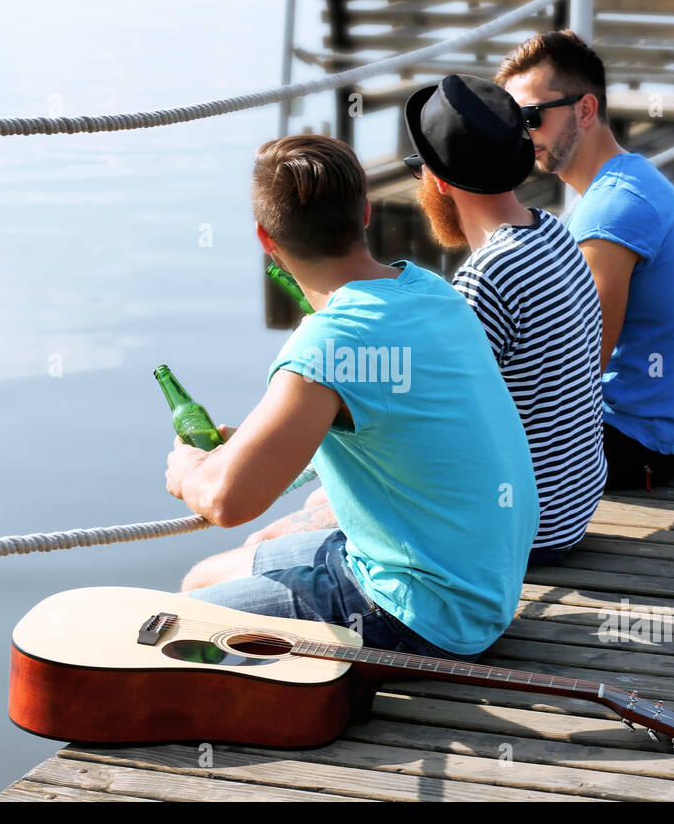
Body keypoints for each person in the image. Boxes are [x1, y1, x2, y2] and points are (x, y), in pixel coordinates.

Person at [165, 134, 539, 661]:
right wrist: (255, 445)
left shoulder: (326, 346)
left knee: (186, 623)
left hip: (423, 612)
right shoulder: (431, 290)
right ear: (364, 212)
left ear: (264, 238)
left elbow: (228, 501)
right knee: (209, 573)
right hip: (483, 586)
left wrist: (190, 474)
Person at [497, 30, 674, 491]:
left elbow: (579, 361)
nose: (523, 133)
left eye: (532, 116)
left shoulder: (612, 209)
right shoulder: (623, 183)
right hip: (655, 436)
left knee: (443, 435)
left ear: (586, 109)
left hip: (631, 447)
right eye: (513, 120)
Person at [404, 74, 606, 565]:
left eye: (420, 171)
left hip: (528, 528)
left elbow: (442, 425)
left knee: (307, 518)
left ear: (440, 181)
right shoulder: (554, 231)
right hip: (574, 504)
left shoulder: (486, 277)